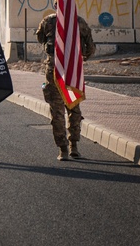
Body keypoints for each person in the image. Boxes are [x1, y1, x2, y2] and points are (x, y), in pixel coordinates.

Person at [36, 13, 96, 160]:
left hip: (54, 70)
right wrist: (81, 57)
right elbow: (90, 47)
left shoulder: (48, 20)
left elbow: (40, 38)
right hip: (72, 69)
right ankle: (73, 146)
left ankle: (63, 149)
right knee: (73, 107)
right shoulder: (79, 21)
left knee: (57, 110)